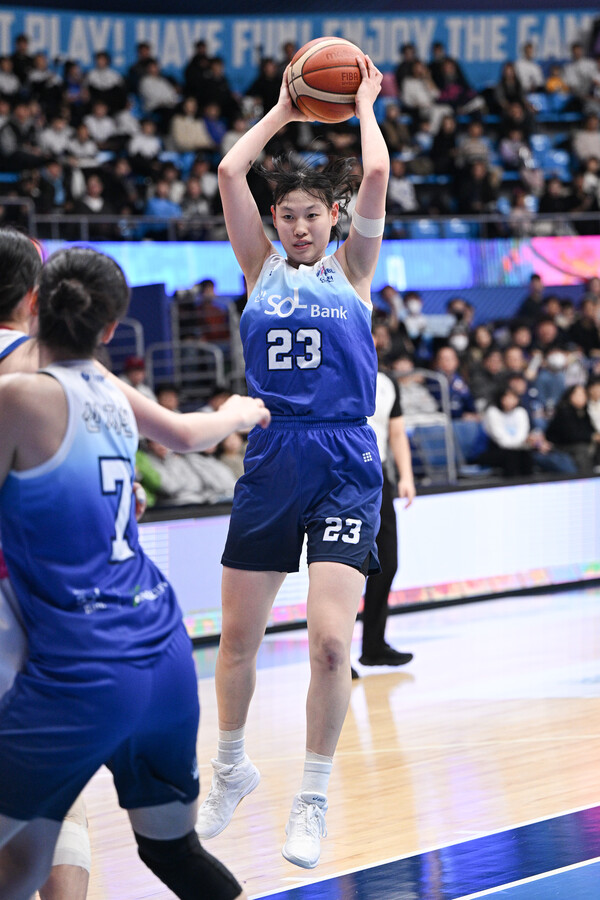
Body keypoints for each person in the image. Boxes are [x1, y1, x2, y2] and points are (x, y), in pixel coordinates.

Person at [0, 244, 255, 900]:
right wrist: (241, 412)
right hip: (164, 650)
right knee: (172, 854)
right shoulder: (108, 390)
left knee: (27, 843)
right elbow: (189, 435)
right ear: (111, 329)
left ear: (37, 305)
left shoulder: (16, 396)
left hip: (81, 666)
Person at [195, 55, 388, 871]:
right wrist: (284, 107)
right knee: (237, 639)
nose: (299, 226)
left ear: (336, 216)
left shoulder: (355, 268)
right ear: (275, 221)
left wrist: (364, 103)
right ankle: (231, 767)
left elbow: (376, 166)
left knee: (329, 646)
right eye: (288, 215)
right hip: (274, 453)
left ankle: (311, 796)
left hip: (345, 455)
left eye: (312, 214)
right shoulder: (257, 268)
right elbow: (230, 166)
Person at [355, 367, 416, 675]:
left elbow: (396, 432)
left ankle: (374, 646)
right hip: (341, 473)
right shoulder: (332, 369)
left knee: (387, 563)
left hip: (377, 477)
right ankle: (332, 658)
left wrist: (406, 475)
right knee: (340, 569)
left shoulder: (387, 382)